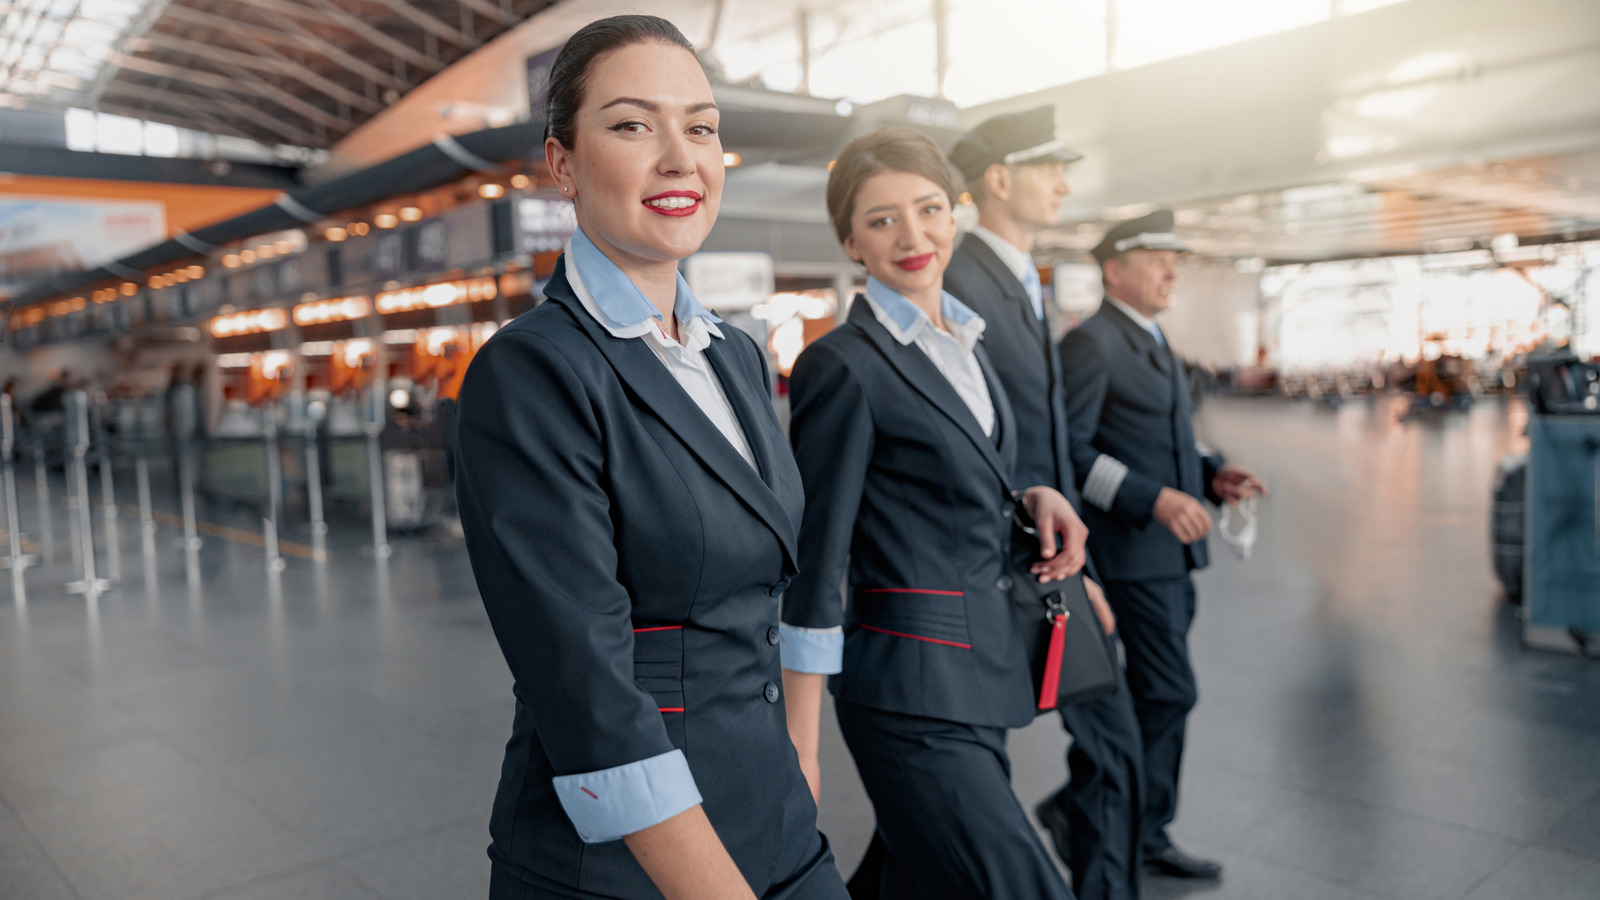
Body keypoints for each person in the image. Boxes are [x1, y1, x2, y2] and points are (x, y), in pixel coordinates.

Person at [453, 16, 847, 900]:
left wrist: (797, 762)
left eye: (700, 127)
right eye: (633, 125)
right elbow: (582, 684)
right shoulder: (532, 372)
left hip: (773, 814)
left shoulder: (735, 356)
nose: (681, 158)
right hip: (628, 863)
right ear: (562, 164)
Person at [781, 126, 1087, 900]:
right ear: (850, 239)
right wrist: (801, 742)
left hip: (982, 673)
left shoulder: (966, 342)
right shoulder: (841, 367)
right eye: (881, 220)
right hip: (907, 697)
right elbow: (817, 565)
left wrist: (1028, 496)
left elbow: (945, 481)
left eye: (927, 209)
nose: (911, 236)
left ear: (956, 214)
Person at [944, 106, 1144, 900]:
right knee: (977, 769)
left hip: (1047, 556)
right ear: (998, 180)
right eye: (1047, 167)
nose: (1064, 182)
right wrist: (1055, 569)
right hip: (1014, 560)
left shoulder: (1021, 279)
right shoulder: (960, 280)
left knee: (966, 775)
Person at [1058, 210, 1268, 881]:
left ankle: (1116, 820)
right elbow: (1073, 451)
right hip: (1129, 556)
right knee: (1167, 693)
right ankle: (1111, 819)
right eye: (1156, 259)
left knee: (1158, 696)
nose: (1171, 270)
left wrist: (1210, 474)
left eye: (1173, 259)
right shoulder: (1093, 344)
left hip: (1168, 557)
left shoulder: (1153, 342)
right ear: (1114, 269)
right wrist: (1153, 499)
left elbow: (1166, 439)